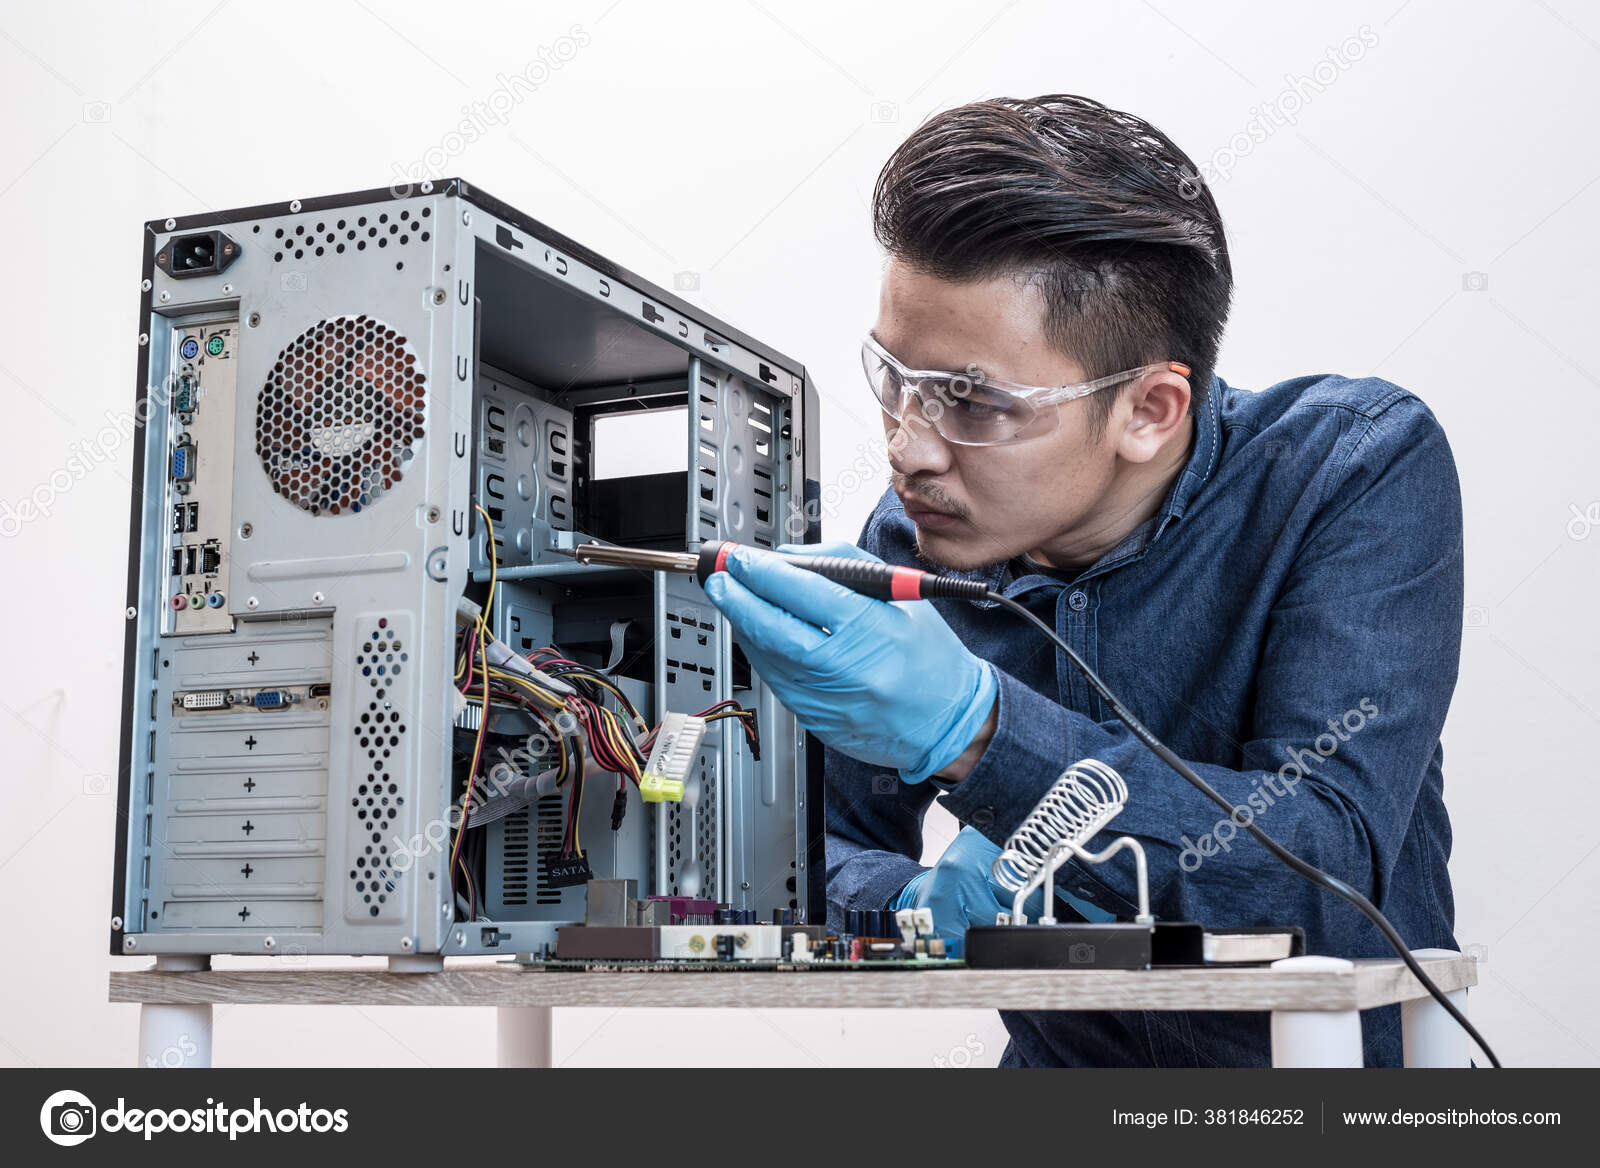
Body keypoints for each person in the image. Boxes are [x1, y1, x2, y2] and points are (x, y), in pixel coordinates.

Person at [703, 94, 1463, 1067]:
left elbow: (1318, 872)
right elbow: (813, 848)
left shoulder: (1350, 470)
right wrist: (900, 901)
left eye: (971, 400)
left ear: (1148, 409)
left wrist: (983, 735)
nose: (907, 449)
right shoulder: (911, 542)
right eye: (896, 379)